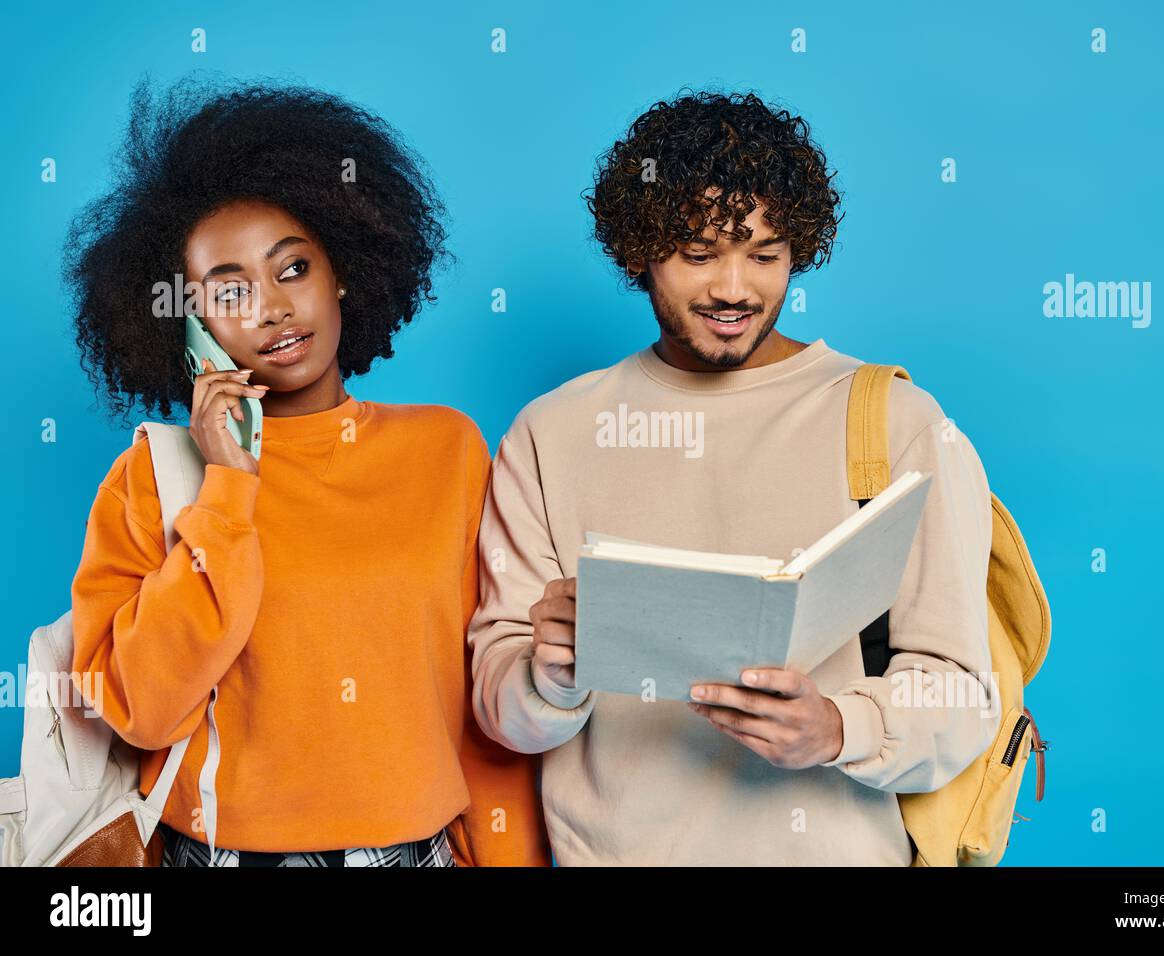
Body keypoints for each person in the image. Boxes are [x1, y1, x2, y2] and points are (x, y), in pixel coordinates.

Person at [468, 90, 999, 865]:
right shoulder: (549, 433)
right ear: (637, 251)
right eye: (698, 254)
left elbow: (960, 691)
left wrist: (839, 727)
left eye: (765, 254)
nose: (733, 289)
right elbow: (502, 712)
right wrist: (546, 676)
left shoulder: (897, 422)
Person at [66, 78, 549, 867]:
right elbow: (139, 711)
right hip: (220, 854)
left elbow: (477, 703)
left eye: (292, 269)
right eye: (230, 290)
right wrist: (226, 489)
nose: (272, 309)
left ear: (343, 271)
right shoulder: (155, 475)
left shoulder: (447, 451)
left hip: (415, 850)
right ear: (189, 329)